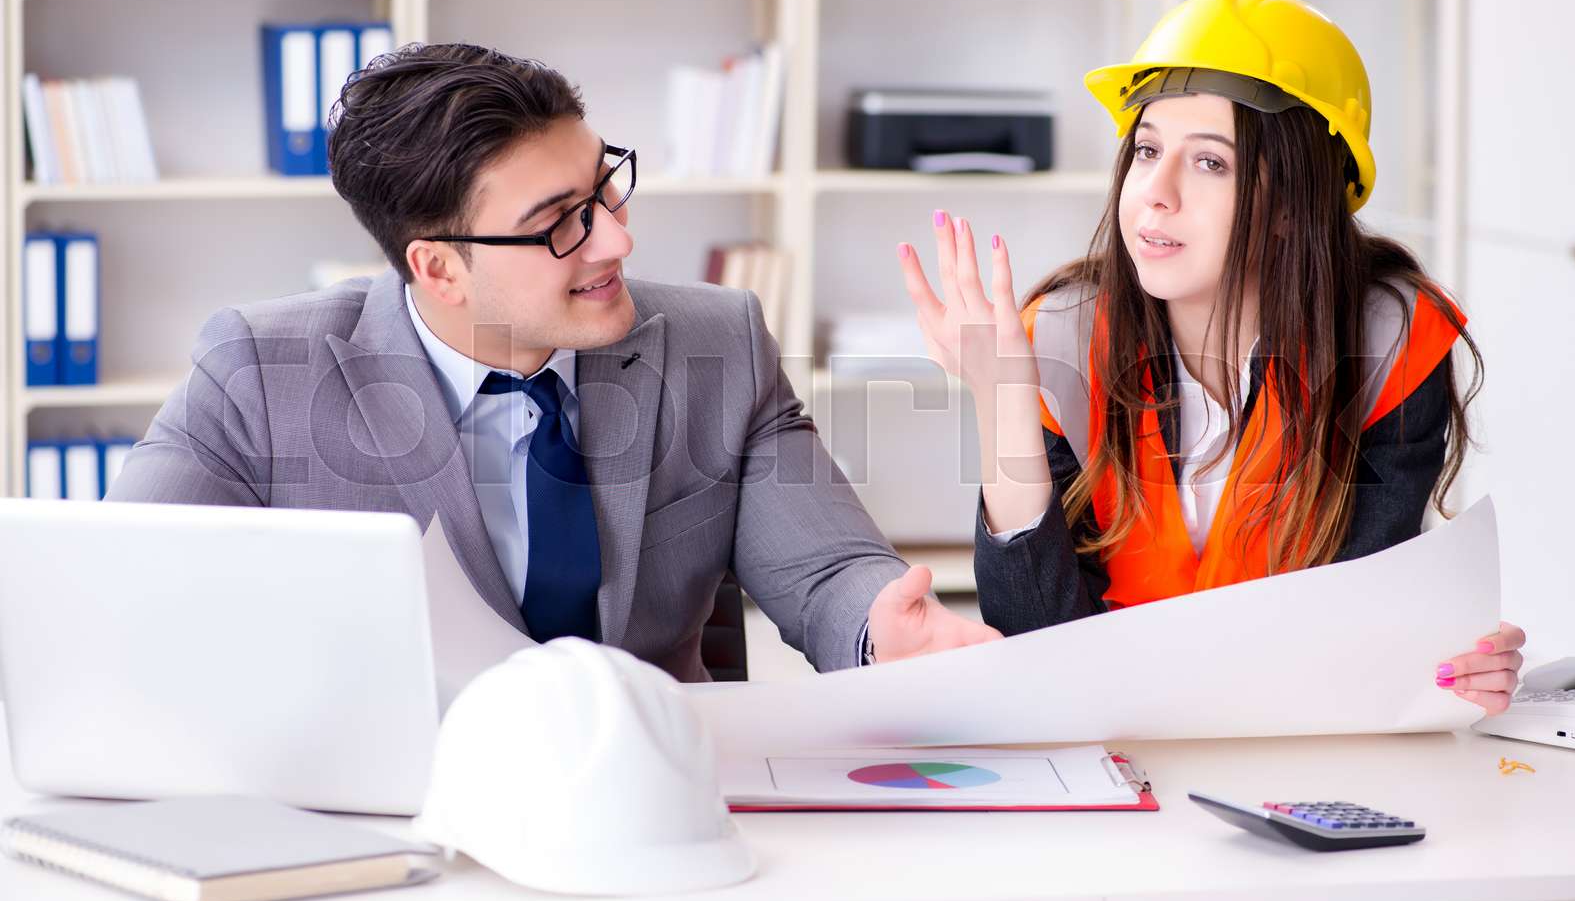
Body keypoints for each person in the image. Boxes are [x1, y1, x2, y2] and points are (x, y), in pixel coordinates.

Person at [109, 42, 998, 679]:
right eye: (559, 222)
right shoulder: (259, 374)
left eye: (606, 188)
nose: (616, 238)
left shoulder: (718, 341)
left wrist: (884, 626)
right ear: (438, 268)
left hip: (646, 804)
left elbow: (827, 571)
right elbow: (119, 597)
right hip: (386, 814)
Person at [896, 0, 1524, 714]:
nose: (1155, 193)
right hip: (1112, 745)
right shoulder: (1061, 340)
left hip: (1297, 750)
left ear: (1291, 204)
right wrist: (1000, 401)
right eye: (1147, 149)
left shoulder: (1387, 343)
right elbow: (1034, 655)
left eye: (1210, 162)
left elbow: (1360, 638)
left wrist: (1446, 664)